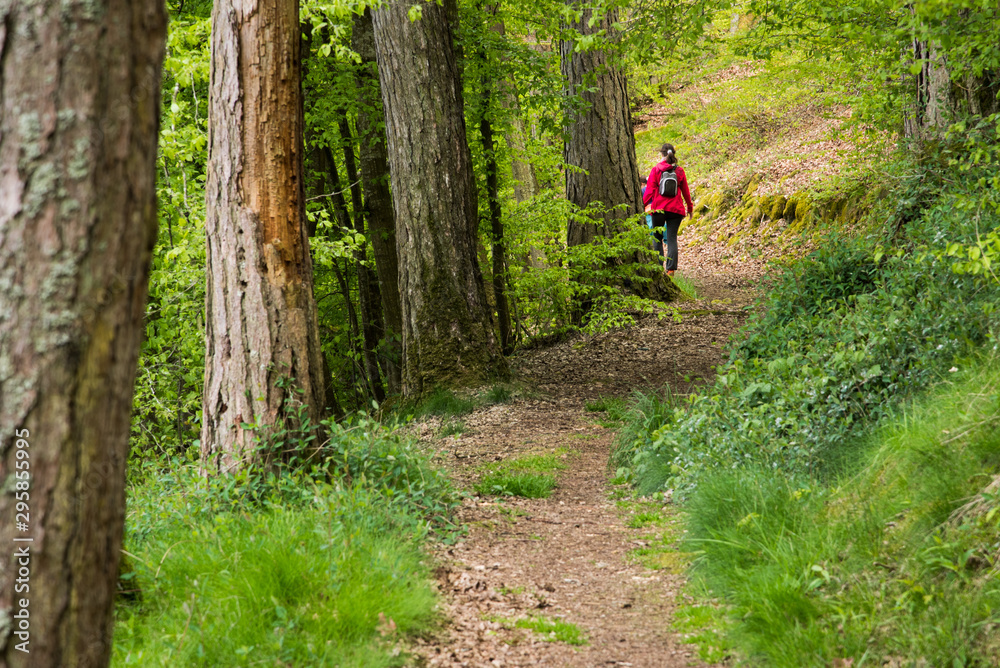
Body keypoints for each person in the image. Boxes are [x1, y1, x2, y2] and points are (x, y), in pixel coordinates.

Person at [643, 143, 693, 276]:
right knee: (671, 238)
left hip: (659, 209)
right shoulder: (680, 171)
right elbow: (686, 192)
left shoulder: (656, 170)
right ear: (673, 154)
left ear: (662, 154)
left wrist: (642, 205)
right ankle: (670, 269)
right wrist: (690, 208)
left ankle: (659, 267)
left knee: (657, 237)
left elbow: (649, 191)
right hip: (676, 210)